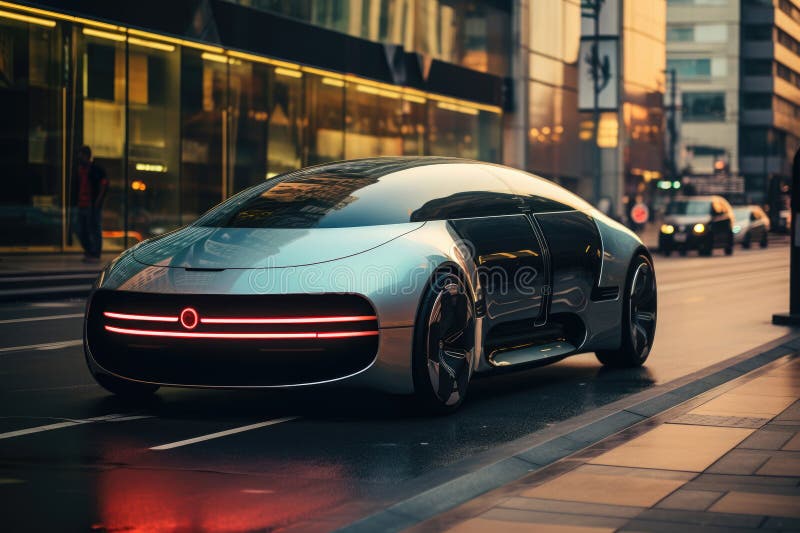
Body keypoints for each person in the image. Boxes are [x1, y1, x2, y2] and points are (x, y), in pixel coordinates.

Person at [72, 145, 108, 263]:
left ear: (87, 156)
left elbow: (104, 184)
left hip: (91, 205)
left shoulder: (95, 169)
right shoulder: (79, 169)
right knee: (80, 229)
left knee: (94, 228)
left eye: (81, 154)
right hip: (81, 204)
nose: (79, 157)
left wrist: (98, 200)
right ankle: (89, 251)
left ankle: (95, 253)